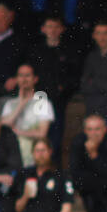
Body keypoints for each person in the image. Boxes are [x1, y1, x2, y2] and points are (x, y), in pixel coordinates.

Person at [25, 14, 78, 166]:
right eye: (49, 27)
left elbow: (74, 76)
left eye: (56, 27)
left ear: (61, 29)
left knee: (56, 137)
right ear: (43, 29)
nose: (52, 30)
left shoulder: (68, 51)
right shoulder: (36, 51)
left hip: (59, 99)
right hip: (40, 98)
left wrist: (64, 88)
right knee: (41, 134)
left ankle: (55, 171)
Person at [15, 138, 74, 212]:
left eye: (43, 150)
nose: (40, 154)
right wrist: (25, 196)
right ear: (32, 153)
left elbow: (67, 206)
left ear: (50, 152)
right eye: (37, 151)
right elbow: (18, 208)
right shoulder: (25, 173)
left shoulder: (61, 175)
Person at [1, 64, 56, 167]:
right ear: (16, 79)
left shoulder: (42, 102)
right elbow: (4, 125)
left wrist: (18, 132)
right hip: (10, 159)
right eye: (21, 75)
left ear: (35, 79)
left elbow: (42, 133)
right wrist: (22, 103)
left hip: (32, 160)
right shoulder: (10, 103)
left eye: (27, 75)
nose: (24, 79)